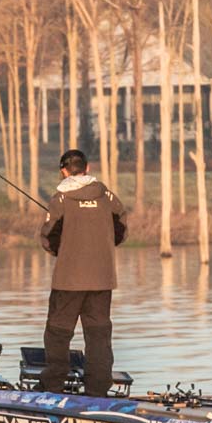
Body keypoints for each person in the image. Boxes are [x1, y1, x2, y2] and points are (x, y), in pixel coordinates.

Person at [39, 149, 127, 397]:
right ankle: (98, 390)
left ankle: (53, 387)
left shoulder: (60, 200)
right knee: (99, 334)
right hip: (102, 278)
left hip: (68, 280)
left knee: (58, 332)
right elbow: (121, 227)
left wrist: (65, 251)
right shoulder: (107, 197)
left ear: (64, 171)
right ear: (87, 168)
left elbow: (48, 237)